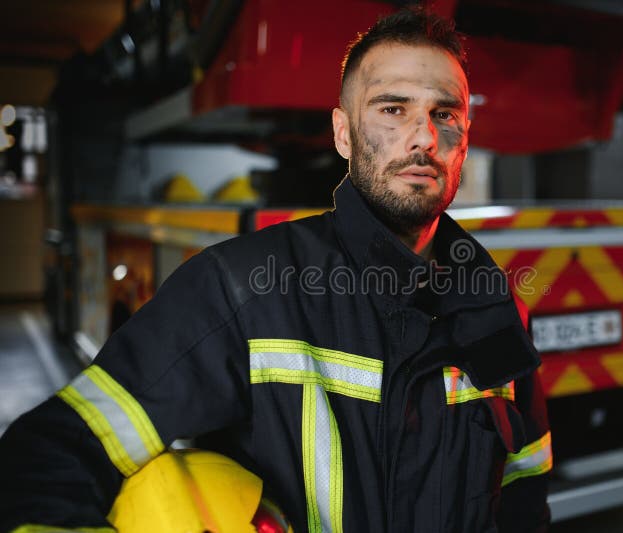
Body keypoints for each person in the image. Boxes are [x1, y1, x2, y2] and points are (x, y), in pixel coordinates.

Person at [0, 8, 551, 532]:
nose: (424, 136)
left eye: (445, 114)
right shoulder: (242, 290)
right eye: (392, 109)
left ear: (464, 138)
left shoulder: (497, 309)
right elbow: (51, 451)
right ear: (342, 133)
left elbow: (524, 494)